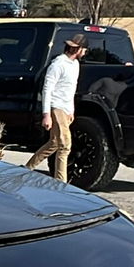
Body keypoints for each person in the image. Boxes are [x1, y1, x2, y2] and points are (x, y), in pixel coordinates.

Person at [25, 34, 89, 181]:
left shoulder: (75, 65)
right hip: (56, 106)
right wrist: (46, 114)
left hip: (66, 108)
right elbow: (47, 89)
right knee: (65, 145)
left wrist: (71, 110)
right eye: (84, 49)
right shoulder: (58, 65)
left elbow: (71, 89)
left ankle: (28, 168)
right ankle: (61, 182)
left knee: (54, 143)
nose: (85, 52)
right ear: (78, 49)